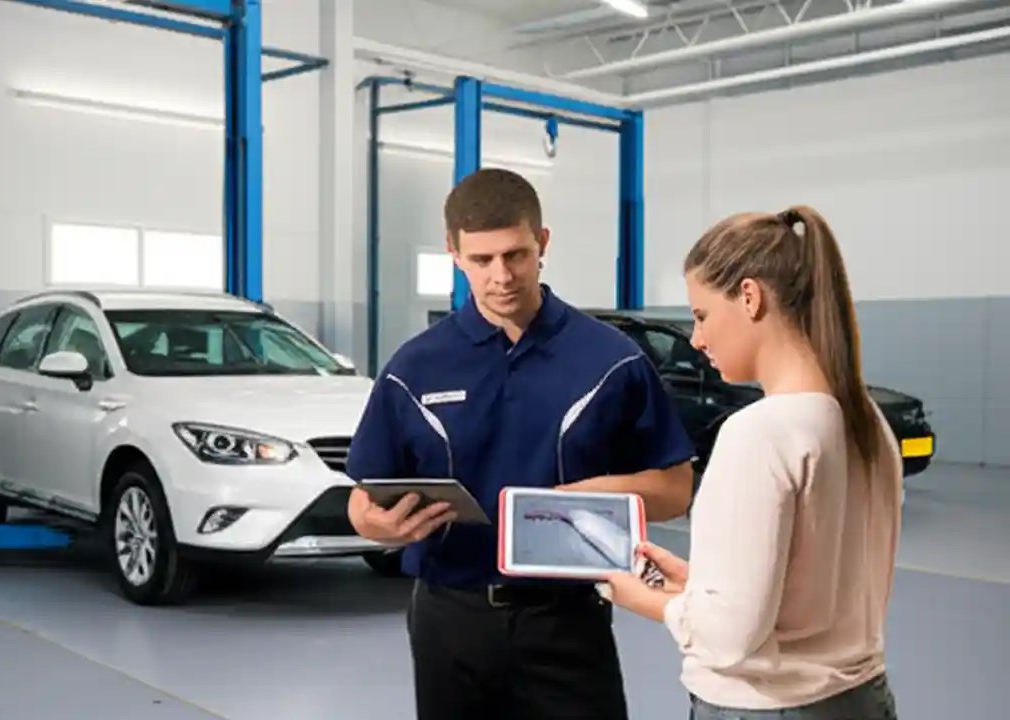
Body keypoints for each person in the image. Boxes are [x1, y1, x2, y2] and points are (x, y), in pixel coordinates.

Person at [344, 167, 697, 720]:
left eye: (516, 255)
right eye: (481, 260)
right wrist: (379, 526)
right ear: (454, 254)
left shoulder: (612, 360)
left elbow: (675, 489)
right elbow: (362, 503)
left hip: (567, 618)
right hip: (448, 618)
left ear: (543, 244)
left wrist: (584, 496)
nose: (501, 276)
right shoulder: (413, 367)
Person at [603, 205, 902, 719]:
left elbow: (726, 639)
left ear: (749, 296)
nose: (697, 341)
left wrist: (640, 597)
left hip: (769, 708)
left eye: (701, 316)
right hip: (861, 700)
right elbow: (813, 589)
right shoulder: (867, 421)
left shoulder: (758, 434)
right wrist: (700, 584)